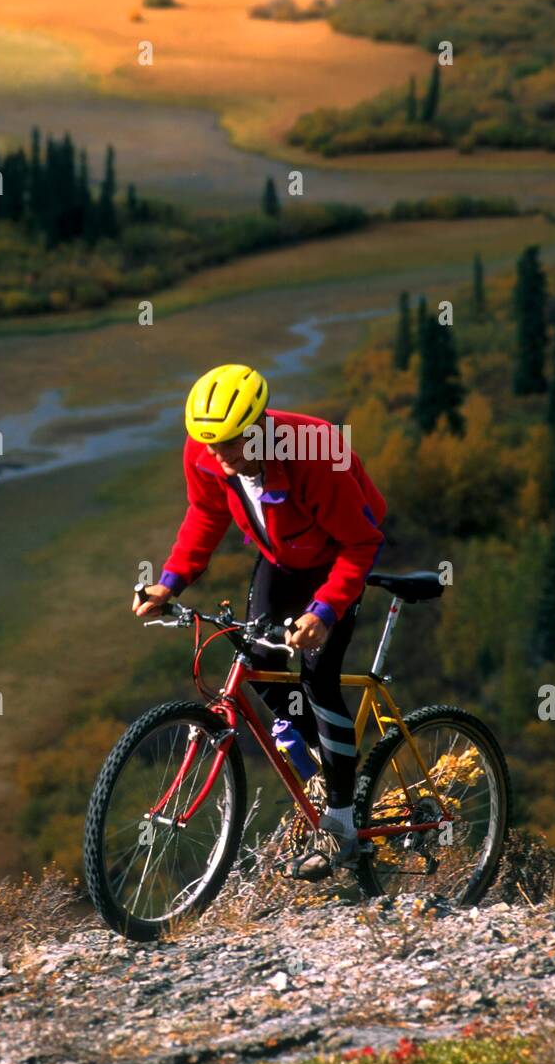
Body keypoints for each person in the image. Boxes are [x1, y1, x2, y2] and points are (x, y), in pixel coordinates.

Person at [133, 363, 387, 880]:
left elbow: (361, 543)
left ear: (258, 428)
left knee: (319, 678)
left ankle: (340, 823)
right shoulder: (206, 451)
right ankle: (317, 753)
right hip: (283, 557)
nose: (217, 457)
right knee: (257, 659)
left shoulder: (318, 454)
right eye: (208, 445)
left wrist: (324, 610)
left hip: (337, 556)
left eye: (229, 444)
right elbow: (205, 515)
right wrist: (171, 581)